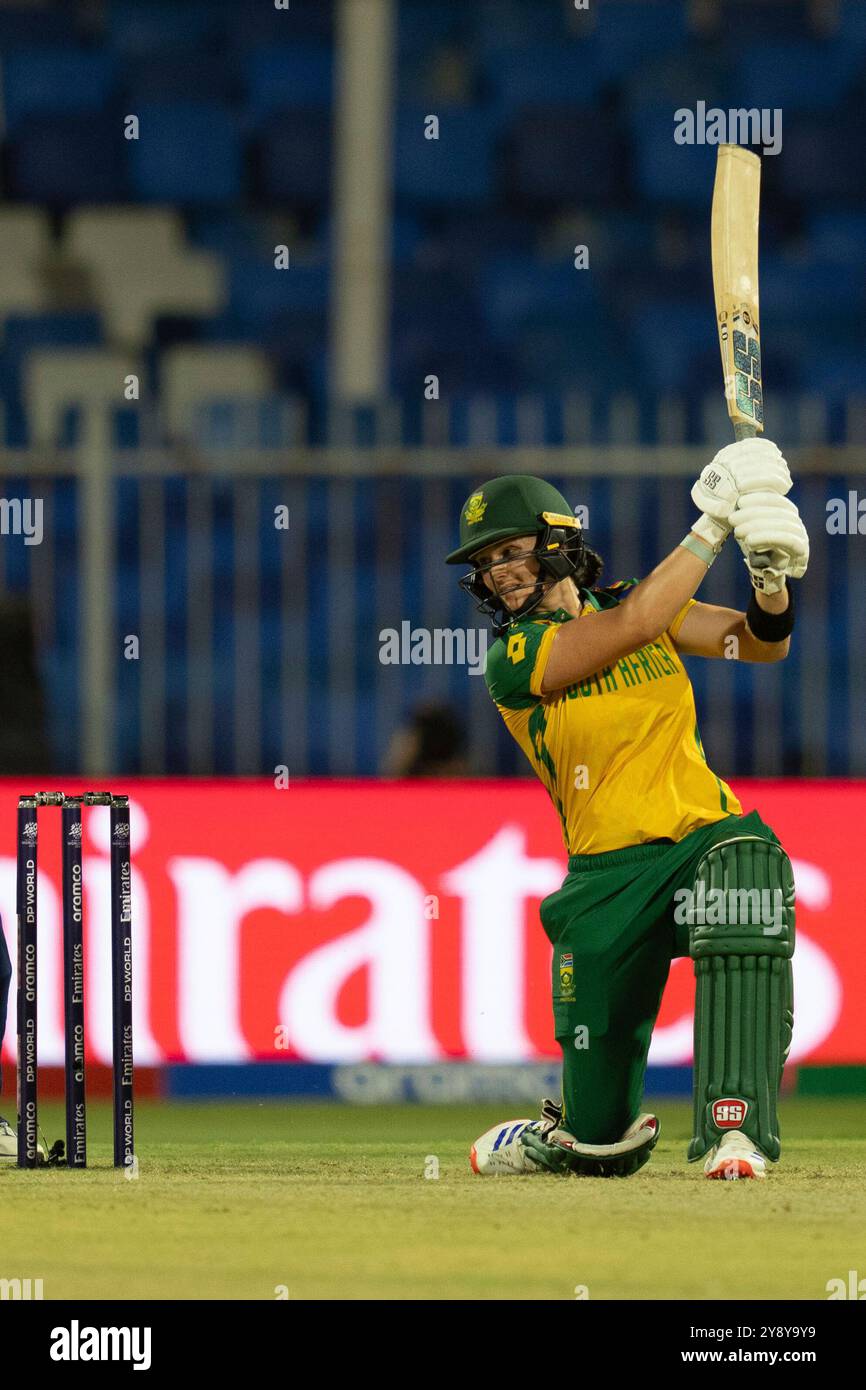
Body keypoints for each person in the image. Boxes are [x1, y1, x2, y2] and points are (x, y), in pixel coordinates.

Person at [445, 439, 808, 1180]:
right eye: (485, 562)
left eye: (511, 551)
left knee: (747, 876)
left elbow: (758, 646)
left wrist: (770, 585)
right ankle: (567, 1131)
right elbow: (637, 625)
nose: (498, 573)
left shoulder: (636, 602)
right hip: (605, 883)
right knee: (601, 1143)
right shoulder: (515, 659)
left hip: (705, 840)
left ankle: (733, 1131)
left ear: (558, 544)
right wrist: (711, 523)